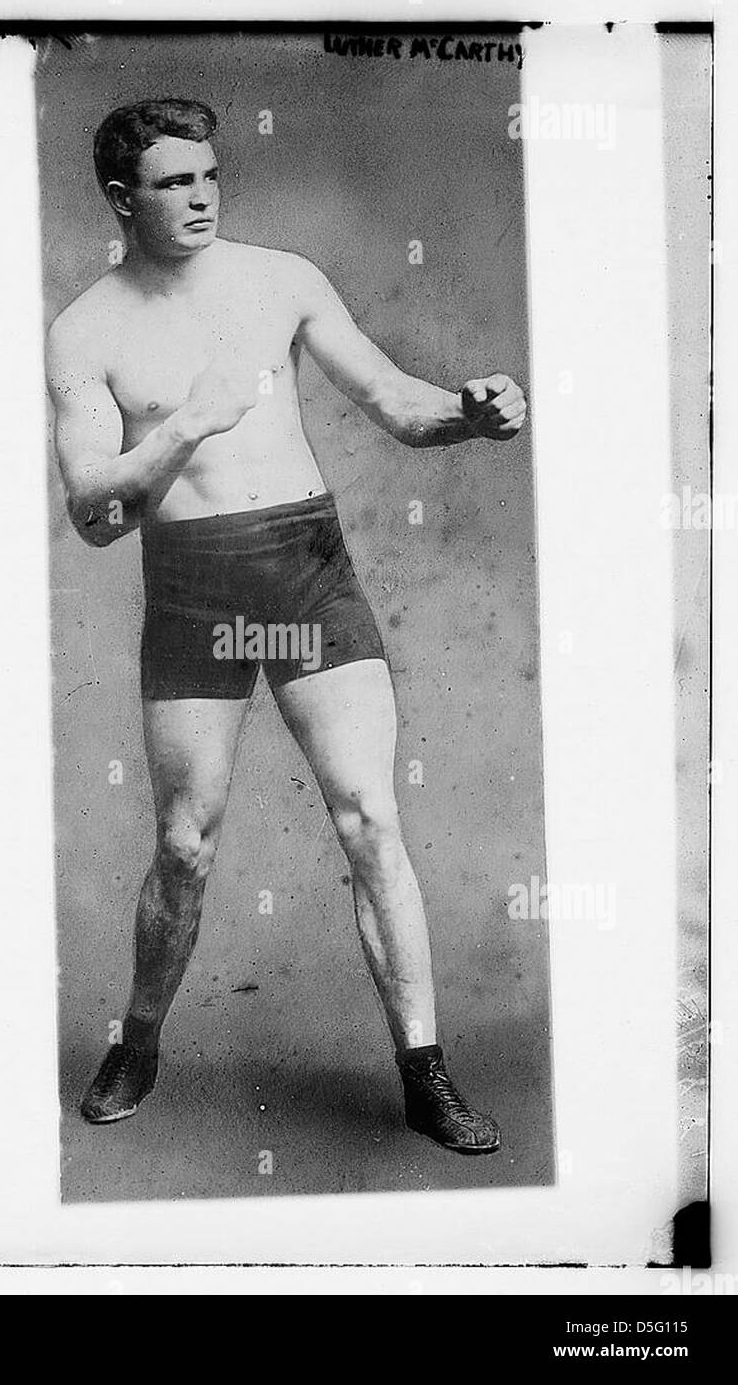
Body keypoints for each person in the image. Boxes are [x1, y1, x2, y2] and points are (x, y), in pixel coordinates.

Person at [46, 99, 527, 1155]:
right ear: (124, 200)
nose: (203, 194)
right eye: (174, 183)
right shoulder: (86, 333)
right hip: (194, 584)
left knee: (367, 819)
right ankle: (138, 1037)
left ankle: (424, 1070)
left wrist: (470, 410)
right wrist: (185, 427)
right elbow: (92, 513)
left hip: (305, 574)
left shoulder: (283, 280)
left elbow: (397, 403)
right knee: (183, 844)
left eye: (209, 174)